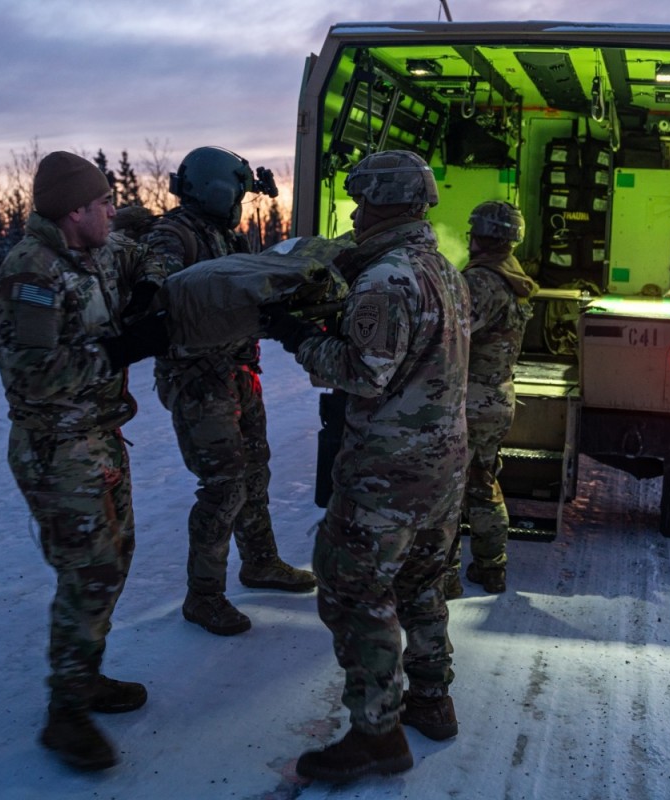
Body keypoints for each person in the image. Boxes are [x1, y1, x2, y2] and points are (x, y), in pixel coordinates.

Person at [262, 150, 471, 782]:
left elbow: (363, 371)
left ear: (384, 200)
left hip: (388, 474)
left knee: (352, 589)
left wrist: (299, 338)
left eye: (362, 198)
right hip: (441, 469)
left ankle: (376, 733)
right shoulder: (443, 268)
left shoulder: (387, 277)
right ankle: (432, 700)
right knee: (421, 584)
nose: (354, 210)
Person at [0, 151, 170, 772]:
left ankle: (84, 677)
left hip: (99, 437)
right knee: (87, 571)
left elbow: (140, 243)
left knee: (114, 560)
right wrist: (123, 348)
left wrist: (145, 283)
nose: (112, 211)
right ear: (73, 212)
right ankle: (66, 712)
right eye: (103, 205)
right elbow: (36, 377)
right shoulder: (30, 275)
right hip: (56, 448)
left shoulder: (95, 248)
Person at [139, 146, 315, 637]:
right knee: (224, 485)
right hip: (198, 381)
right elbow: (156, 283)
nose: (241, 199)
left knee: (255, 469)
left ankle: (260, 561)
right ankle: (204, 596)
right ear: (218, 188)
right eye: (238, 190)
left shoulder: (224, 236)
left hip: (237, 371)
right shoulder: (174, 234)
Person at [442, 200, 538, 597]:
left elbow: (452, 332)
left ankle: (443, 577)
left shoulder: (481, 282)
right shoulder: (513, 277)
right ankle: (491, 567)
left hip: (469, 400)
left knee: (446, 493)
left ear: (481, 234)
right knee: (483, 484)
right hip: (498, 397)